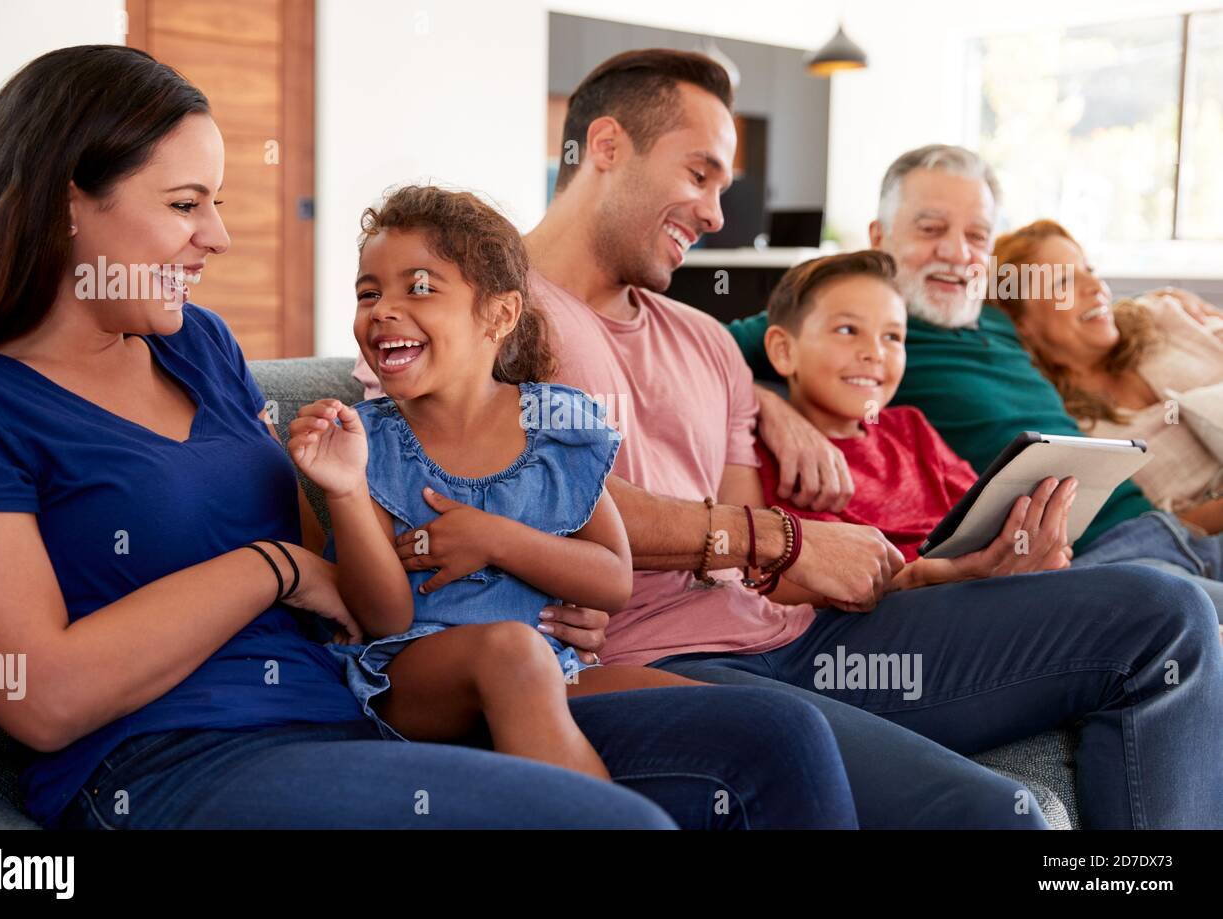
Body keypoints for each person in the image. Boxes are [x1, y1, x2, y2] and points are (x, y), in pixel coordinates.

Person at [0, 44, 859, 831]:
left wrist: (523, 579)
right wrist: (274, 567)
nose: (218, 236)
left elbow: (354, 551)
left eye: (216, 201)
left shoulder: (198, 348)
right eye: (184, 203)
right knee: (608, 822)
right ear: (63, 204)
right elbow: (39, 697)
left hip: (361, 704)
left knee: (777, 735)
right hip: (175, 758)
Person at [356, 50, 1223, 828]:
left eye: (724, 184)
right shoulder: (479, 316)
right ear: (609, 146)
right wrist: (773, 533)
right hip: (653, 661)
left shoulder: (702, 339)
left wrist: (931, 572)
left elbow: (747, 550)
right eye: (699, 174)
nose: (716, 211)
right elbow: (493, 484)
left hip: (798, 638)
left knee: (1167, 613)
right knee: (1000, 818)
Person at [288, 186, 857, 823]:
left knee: (773, 725)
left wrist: (496, 539)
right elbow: (385, 618)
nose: (384, 310)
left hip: (554, 668)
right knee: (511, 653)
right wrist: (341, 489)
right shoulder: (367, 446)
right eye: (369, 293)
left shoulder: (556, 428)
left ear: (499, 315)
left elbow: (611, 580)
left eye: (418, 287)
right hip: (410, 677)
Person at [728, 144, 1223, 618]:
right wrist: (769, 407)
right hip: (1092, 556)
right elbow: (694, 350)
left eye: (977, 236)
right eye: (930, 228)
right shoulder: (859, 330)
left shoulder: (999, 320)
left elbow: (1076, 313)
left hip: (1163, 528)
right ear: (878, 237)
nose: (955, 251)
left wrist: (1162, 304)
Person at [753, 248, 1075, 593]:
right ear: (784, 351)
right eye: (847, 330)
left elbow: (985, 517)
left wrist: (1028, 541)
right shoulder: (763, 451)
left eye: (892, 337)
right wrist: (924, 576)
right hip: (884, 616)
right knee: (1132, 589)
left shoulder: (911, 428)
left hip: (975, 592)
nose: (874, 353)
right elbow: (778, 584)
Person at [991, 219, 1223, 535]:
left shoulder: (1165, 316)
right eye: (1064, 282)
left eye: (1091, 270)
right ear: (1020, 322)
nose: (1096, 286)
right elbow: (1145, 536)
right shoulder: (1066, 427)